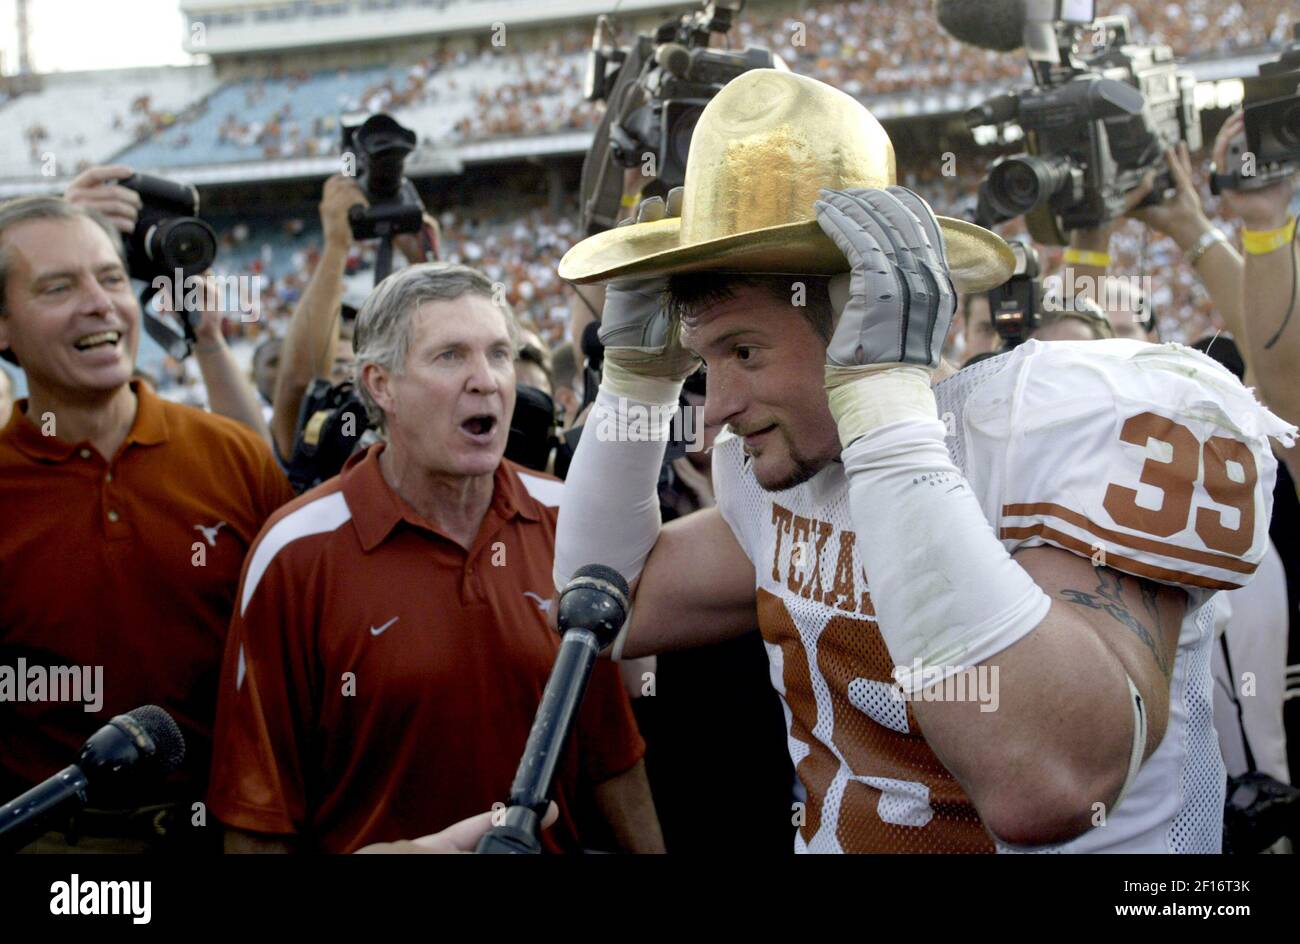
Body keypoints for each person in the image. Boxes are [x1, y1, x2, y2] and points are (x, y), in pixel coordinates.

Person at [553, 69, 1296, 852]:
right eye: (709, 361)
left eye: (745, 350)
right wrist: (635, 385)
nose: (723, 406)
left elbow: (1045, 785)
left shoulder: (1056, 423)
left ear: (861, 314)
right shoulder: (783, 470)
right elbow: (603, 605)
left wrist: (882, 413)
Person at [207, 262, 661, 854]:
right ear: (380, 384)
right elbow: (256, 813)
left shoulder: (569, 518)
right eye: (450, 356)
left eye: (499, 354)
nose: (488, 380)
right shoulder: (294, 552)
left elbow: (611, 756)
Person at [0, 195, 295, 852]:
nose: (99, 302)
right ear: (3, 325)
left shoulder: (236, 457)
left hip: (227, 836)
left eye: (110, 278)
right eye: (58, 287)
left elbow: (301, 662)